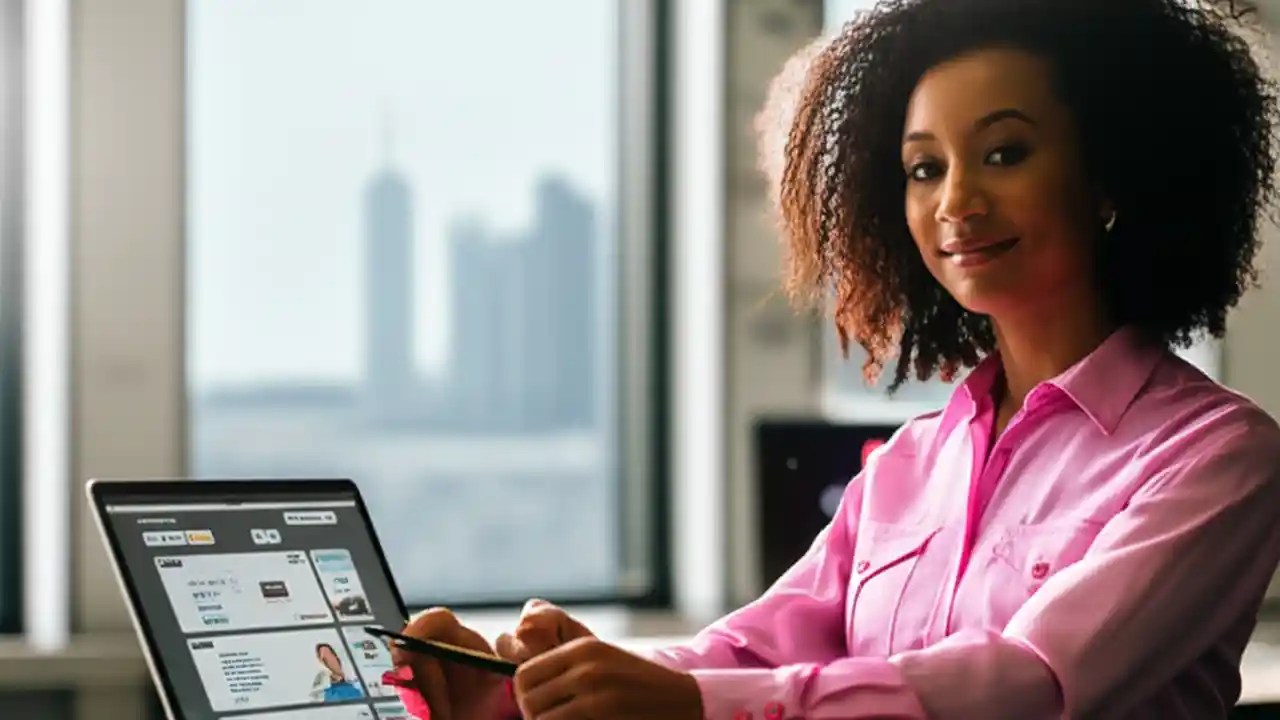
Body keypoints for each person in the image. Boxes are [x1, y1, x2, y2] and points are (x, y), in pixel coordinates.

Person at [393, 0, 1280, 717]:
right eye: (923, 169)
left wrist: (685, 703)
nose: (956, 201)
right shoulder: (906, 465)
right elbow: (752, 649)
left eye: (1005, 153)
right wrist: (547, 692)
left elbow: (1034, 684)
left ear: (1111, 178)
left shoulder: (1216, 456)